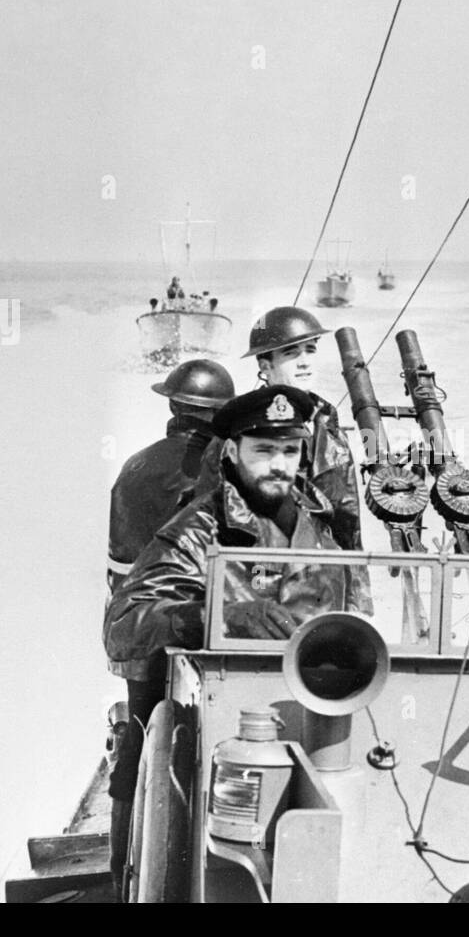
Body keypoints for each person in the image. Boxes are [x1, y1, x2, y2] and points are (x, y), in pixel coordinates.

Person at [102, 385, 369, 897]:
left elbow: (358, 611)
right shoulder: (198, 531)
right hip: (242, 725)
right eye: (263, 451)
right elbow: (124, 627)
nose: (278, 466)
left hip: (324, 712)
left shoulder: (322, 523)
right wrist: (217, 615)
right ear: (232, 451)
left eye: (289, 451)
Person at [192, 306, 363, 553]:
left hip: (324, 574)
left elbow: (348, 524)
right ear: (265, 366)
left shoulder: (329, 428)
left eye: (310, 350)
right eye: (291, 353)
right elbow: (207, 517)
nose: (304, 362)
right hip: (258, 572)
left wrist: (356, 589)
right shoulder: (238, 431)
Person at [106, 360, 235, 590]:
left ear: (172, 406)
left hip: (124, 598)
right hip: (176, 602)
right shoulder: (214, 469)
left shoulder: (134, 462)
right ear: (220, 412)